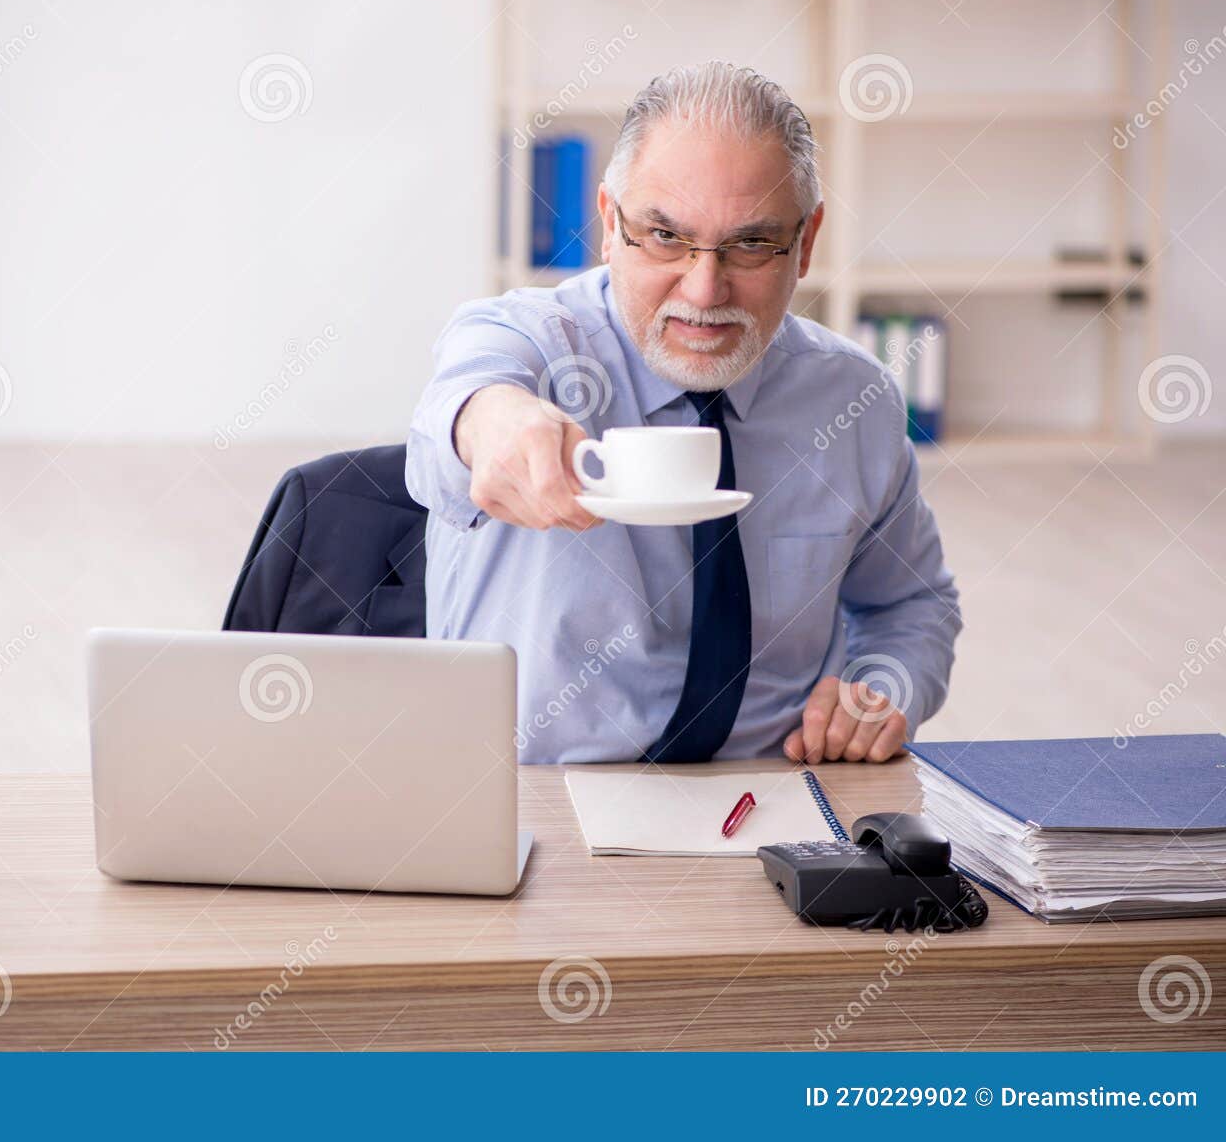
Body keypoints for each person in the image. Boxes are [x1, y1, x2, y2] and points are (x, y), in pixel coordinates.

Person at [405, 62, 960, 765]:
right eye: (666, 237)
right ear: (609, 224)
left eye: (751, 244)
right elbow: (457, 412)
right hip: (536, 800)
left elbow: (911, 607)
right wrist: (489, 422)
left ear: (807, 242)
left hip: (771, 791)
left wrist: (882, 689)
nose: (704, 289)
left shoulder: (854, 401)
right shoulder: (528, 344)